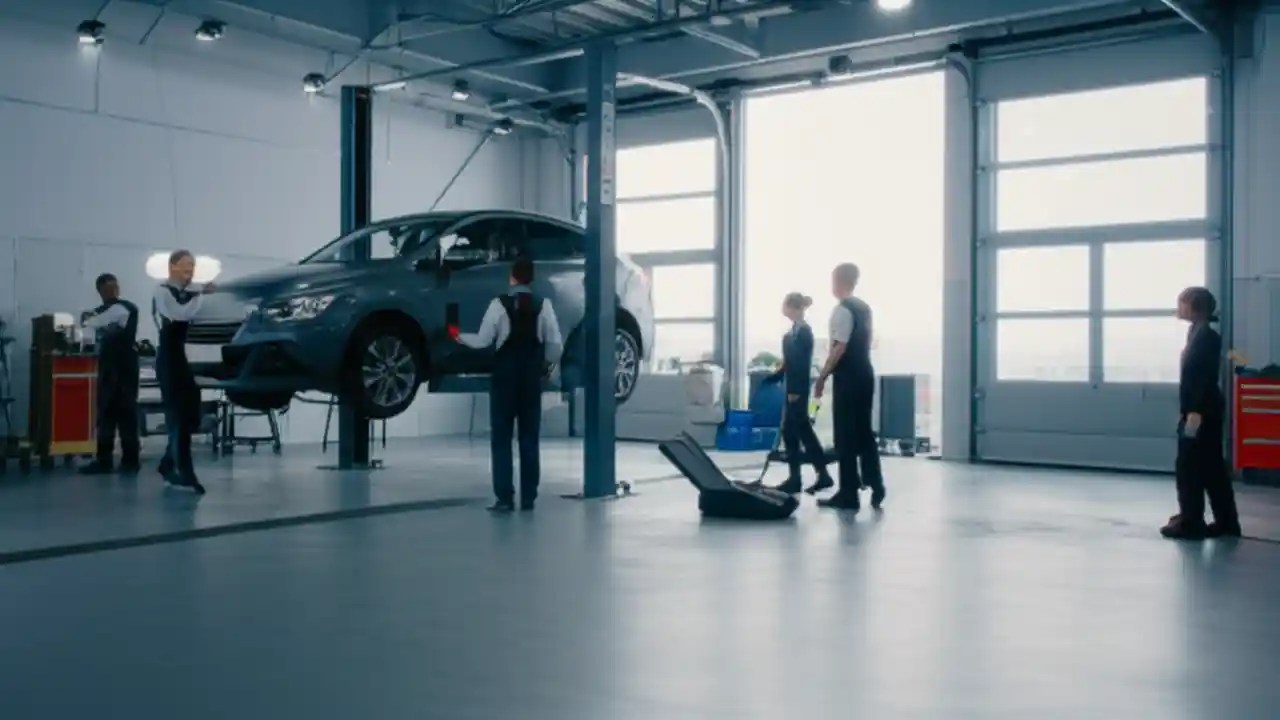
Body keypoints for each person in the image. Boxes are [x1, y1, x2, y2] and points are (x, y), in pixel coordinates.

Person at [455, 257, 563, 513]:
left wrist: (458, 336)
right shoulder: (544, 305)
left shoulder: (498, 305)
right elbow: (555, 345)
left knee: (501, 439)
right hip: (530, 380)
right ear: (531, 279)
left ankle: (504, 498)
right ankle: (529, 498)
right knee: (529, 438)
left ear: (512, 277)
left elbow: (483, 341)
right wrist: (547, 367)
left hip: (504, 380)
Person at [1161, 286, 1241, 540]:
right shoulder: (1196, 332)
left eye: (1182, 302)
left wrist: (1194, 412)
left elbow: (1204, 376)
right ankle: (1225, 522)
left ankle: (1192, 522)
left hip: (1201, 411)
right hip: (1200, 409)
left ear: (1195, 307)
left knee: (1189, 465)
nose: (1178, 307)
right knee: (1211, 466)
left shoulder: (1207, 337)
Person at [813, 262, 885, 511]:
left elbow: (839, 348)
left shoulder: (842, 310)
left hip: (848, 377)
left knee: (845, 435)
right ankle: (876, 485)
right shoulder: (864, 308)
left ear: (837, 282)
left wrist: (822, 377)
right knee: (864, 432)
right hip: (865, 373)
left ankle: (848, 493)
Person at [152, 250, 213, 494]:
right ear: (172, 266)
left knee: (191, 415)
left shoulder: (189, 293)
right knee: (178, 417)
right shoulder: (163, 291)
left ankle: (168, 464)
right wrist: (200, 295)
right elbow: (180, 314)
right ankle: (186, 473)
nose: (191, 270)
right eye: (186, 265)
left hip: (184, 359)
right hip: (169, 360)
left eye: (193, 265)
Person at [764, 292, 834, 495]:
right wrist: (776, 376)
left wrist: (795, 391)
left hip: (798, 389)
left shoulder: (803, 333)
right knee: (792, 433)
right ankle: (799, 477)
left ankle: (819, 475)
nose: (783, 309)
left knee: (802, 432)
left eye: (785, 305)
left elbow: (801, 364)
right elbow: (789, 362)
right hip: (792, 388)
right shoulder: (793, 332)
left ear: (792, 307)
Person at [78, 273, 141, 475]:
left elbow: (93, 323)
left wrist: (95, 324)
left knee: (127, 413)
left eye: (115, 286)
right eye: (108, 288)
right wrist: (96, 324)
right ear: (100, 291)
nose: (113, 291)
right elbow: (90, 325)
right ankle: (104, 459)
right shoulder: (100, 311)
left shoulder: (126, 307)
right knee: (106, 414)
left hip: (125, 368)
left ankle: (131, 460)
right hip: (108, 367)